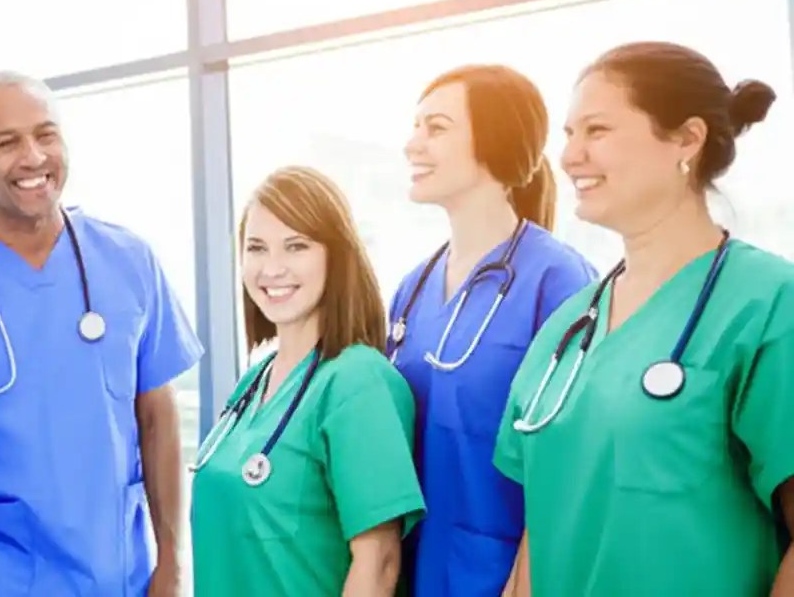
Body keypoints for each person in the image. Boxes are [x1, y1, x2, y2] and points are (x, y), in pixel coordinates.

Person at [0, 70, 202, 596]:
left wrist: (172, 563)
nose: (32, 157)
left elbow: (157, 418)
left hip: (114, 575)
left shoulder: (128, 260)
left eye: (45, 134)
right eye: (6, 142)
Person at [494, 41, 794, 595]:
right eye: (568, 135)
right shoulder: (567, 325)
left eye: (597, 130)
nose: (568, 157)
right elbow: (542, 527)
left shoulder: (768, 304)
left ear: (687, 138)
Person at [387, 65, 595, 596]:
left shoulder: (558, 280)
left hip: (509, 574)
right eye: (415, 127)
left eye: (435, 128)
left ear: (494, 138)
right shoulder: (412, 289)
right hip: (415, 568)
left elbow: (573, 458)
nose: (413, 144)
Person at [191, 165, 427, 597]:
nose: (272, 268)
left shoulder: (358, 382)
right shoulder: (253, 384)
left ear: (336, 256)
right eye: (256, 248)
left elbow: (378, 563)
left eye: (296, 246)